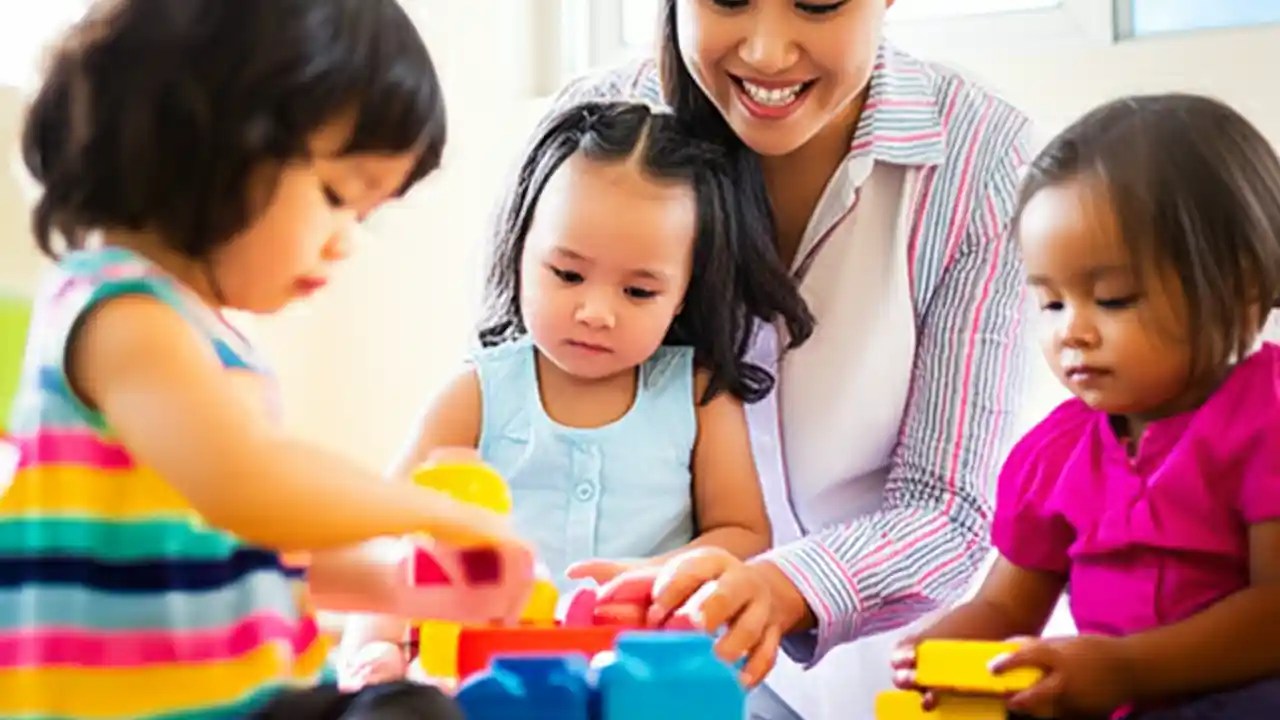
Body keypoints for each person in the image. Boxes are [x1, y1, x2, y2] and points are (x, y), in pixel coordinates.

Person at [0, 1, 534, 717]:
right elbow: (245, 485)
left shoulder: (198, 335)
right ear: (208, 137)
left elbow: (261, 549)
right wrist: (428, 508)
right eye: (338, 196)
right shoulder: (122, 315)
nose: (346, 242)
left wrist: (414, 584)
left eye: (364, 217)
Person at [538, 1, 1036, 718]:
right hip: (613, 673)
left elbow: (949, 511)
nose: (768, 52)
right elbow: (503, 408)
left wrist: (783, 588)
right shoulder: (596, 130)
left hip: (878, 687)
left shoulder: (982, 160)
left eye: (819, 2)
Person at [337, 99, 816, 688]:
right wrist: (376, 652)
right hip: (486, 673)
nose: (595, 313)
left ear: (686, 292)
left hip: (639, 670)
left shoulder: (697, 396)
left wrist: (651, 575)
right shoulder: (478, 394)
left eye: (639, 291)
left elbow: (743, 533)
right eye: (567, 275)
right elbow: (387, 535)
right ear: (520, 252)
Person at [893, 94, 1280, 719]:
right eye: (1050, 303)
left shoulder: (1268, 416)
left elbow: (1274, 616)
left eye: (1114, 299)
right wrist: (948, 647)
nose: (1072, 331)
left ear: (1240, 288)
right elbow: (1005, 607)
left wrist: (1125, 668)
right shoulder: (1059, 452)